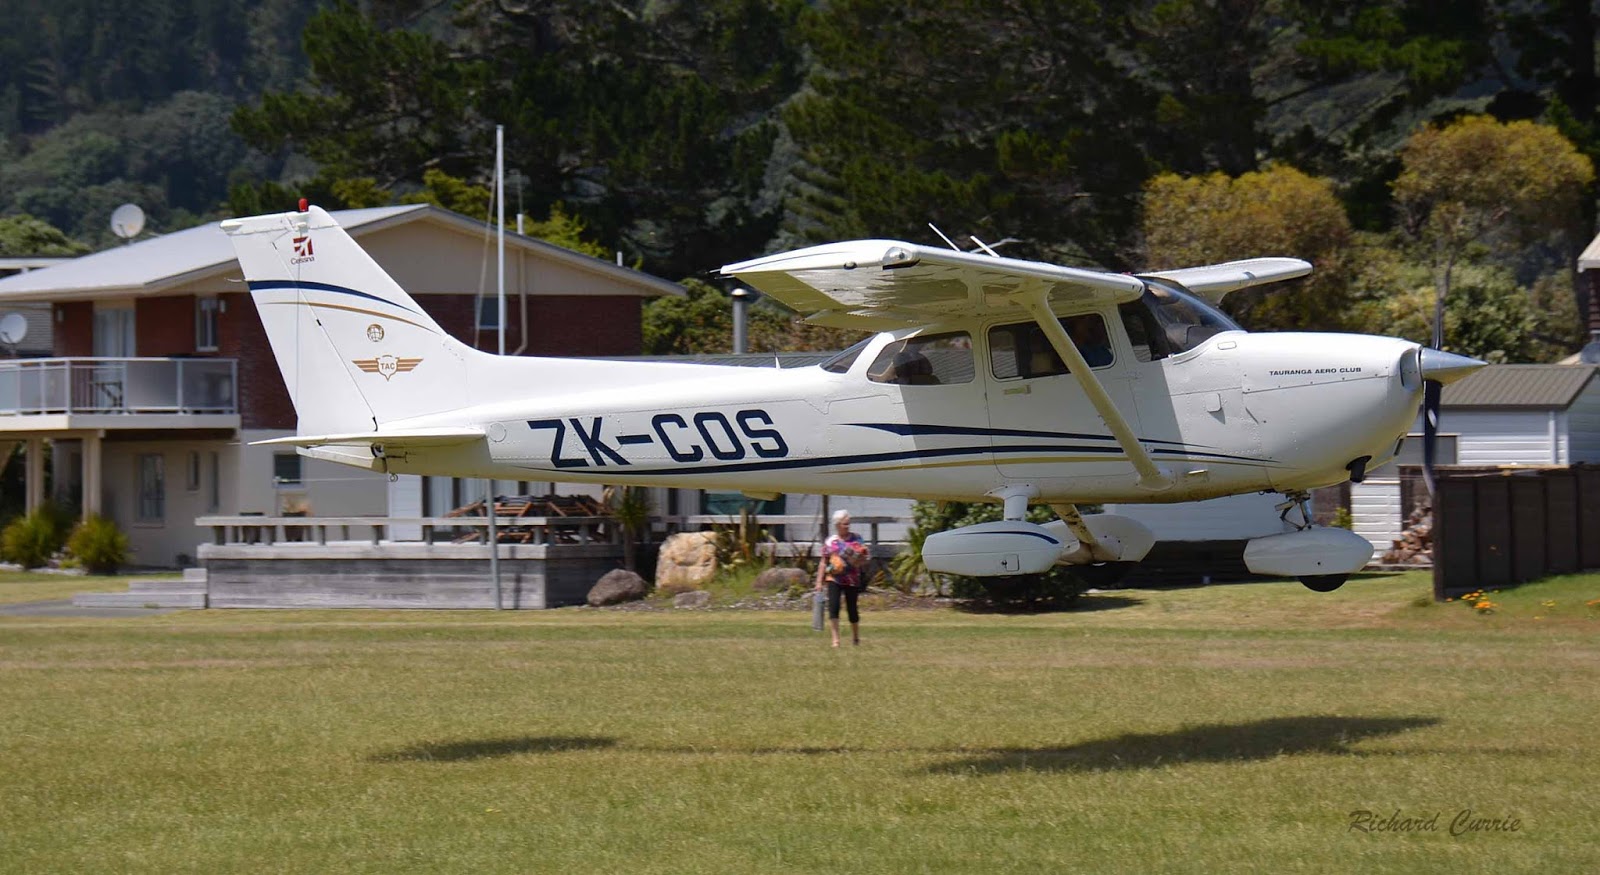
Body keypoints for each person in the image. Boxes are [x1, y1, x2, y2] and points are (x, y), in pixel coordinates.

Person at [815, 508, 869, 647]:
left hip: (852, 579)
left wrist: (859, 560)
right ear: (838, 525)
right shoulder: (831, 541)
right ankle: (835, 640)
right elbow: (823, 561)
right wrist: (819, 582)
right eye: (845, 523)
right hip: (834, 578)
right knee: (833, 607)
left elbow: (865, 558)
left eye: (848, 523)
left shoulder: (856, 539)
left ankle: (856, 638)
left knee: (852, 609)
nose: (847, 526)